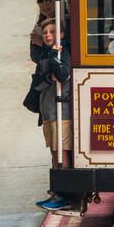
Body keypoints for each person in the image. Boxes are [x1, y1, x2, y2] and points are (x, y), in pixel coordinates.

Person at [33, 19, 74, 210]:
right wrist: (48, 76)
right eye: (45, 32)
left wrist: (53, 65)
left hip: (61, 110)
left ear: (62, 34)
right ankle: (56, 192)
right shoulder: (46, 52)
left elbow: (64, 74)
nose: (48, 35)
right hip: (48, 108)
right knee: (53, 151)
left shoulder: (62, 52)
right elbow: (39, 79)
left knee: (61, 151)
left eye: (52, 32)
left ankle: (65, 194)